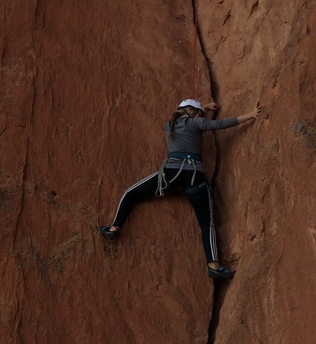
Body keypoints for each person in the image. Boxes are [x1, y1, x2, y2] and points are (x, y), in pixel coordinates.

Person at [99, 98, 262, 279]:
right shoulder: (196, 122)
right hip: (195, 176)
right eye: (200, 113)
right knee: (206, 221)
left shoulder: (168, 125)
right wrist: (250, 115)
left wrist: (202, 107)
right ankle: (213, 265)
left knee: (131, 193)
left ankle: (114, 228)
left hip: (172, 173)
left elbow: (185, 116)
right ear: (193, 112)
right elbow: (220, 124)